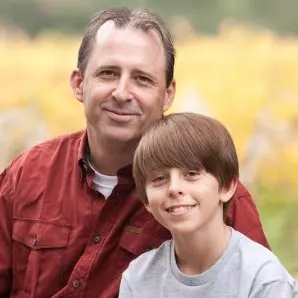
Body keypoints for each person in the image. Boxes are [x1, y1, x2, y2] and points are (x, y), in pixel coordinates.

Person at [0, 7, 270, 298]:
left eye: (142, 79)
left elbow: (255, 283)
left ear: (167, 94)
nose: (122, 92)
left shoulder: (208, 193)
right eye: (108, 73)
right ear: (79, 84)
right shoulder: (27, 175)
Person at [119, 112, 297, 298]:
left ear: (226, 186)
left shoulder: (263, 278)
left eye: (191, 174)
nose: (174, 188)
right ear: (146, 200)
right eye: (160, 178)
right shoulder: (138, 278)